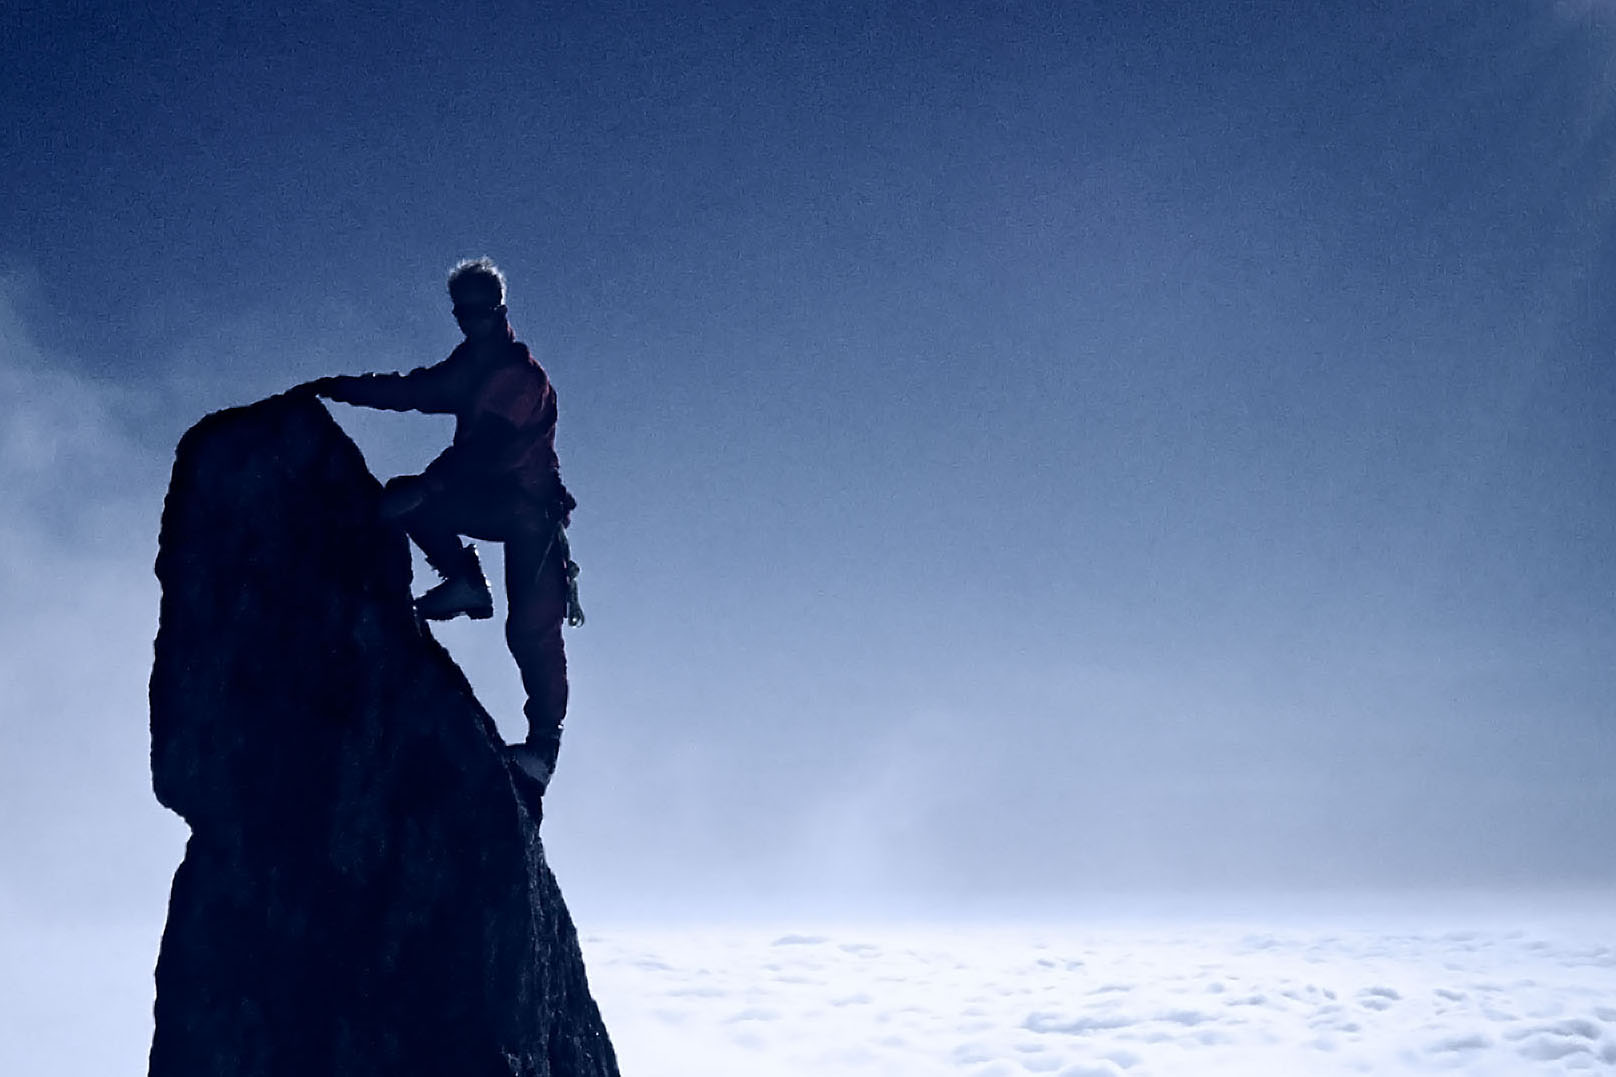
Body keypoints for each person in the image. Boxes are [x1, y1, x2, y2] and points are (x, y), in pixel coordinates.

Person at [303, 257, 581, 794]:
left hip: (532, 515)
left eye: (480, 310)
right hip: (500, 503)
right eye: (462, 312)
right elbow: (413, 391)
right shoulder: (469, 367)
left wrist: (428, 487)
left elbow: (487, 449)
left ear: (499, 309)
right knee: (408, 501)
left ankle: (543, 748)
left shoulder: (522, 378)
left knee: (531, 629)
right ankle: (466, 581)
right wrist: (340, 387)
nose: (471, 321)